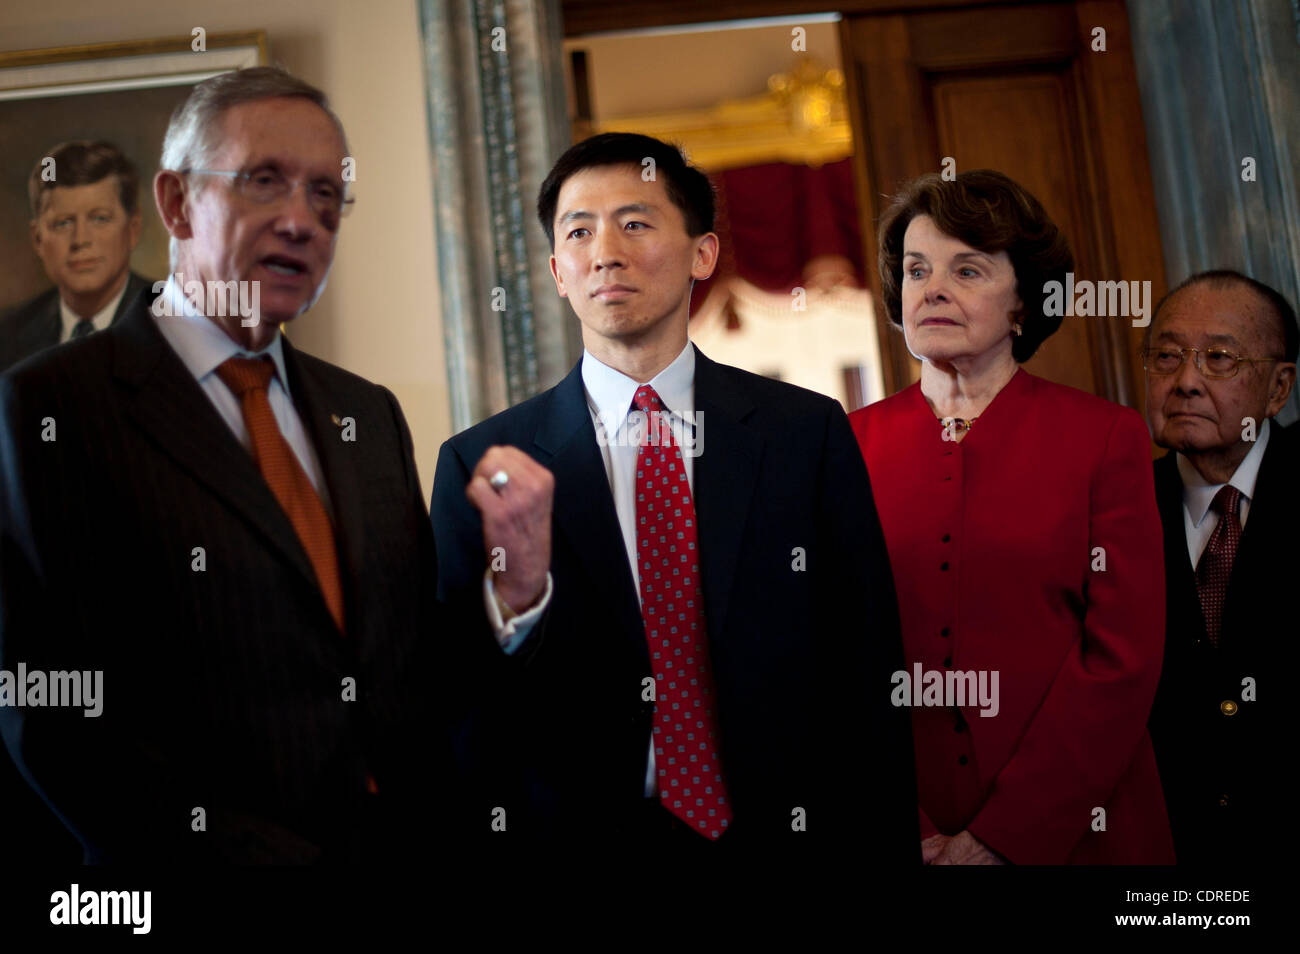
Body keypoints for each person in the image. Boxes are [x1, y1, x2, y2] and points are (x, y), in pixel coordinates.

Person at [0, 66, 552, 864]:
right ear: (176, 202)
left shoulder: (366, 414)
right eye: (265, 182)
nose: (303, 220)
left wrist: (514, 592)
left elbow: (399, 673)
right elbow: (53, 714)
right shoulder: (52, 408)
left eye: (327, 195)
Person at [430, 132, 916, 853]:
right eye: (578, 232)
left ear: (704, 254)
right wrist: (520, 602)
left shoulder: (802, 433)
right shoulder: (484, 461)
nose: (605, 251)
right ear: (558, 272)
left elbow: (867, 660)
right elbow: (455, 691)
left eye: (634, 222)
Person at [850, 170, 1174, 864]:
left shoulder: (1104, 437)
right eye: (915, 270)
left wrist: (1003, 839)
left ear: (1024, 302)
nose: (932, 288)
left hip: (1085, 829)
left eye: (966, 269)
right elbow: (826, 656)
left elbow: (1124, 656)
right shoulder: (842, 445)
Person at [1143, 269, 1296, 866]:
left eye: (1219, 359)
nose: (1184, 382)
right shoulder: (1114, 505)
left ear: (1278, 388)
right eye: (1166, 356)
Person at [0, 141, 154, 371]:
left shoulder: (173, 322)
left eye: (99, 218)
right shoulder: (8, 333)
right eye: (63, 223)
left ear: (132, 229)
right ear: (38, 239)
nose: (80, 240)